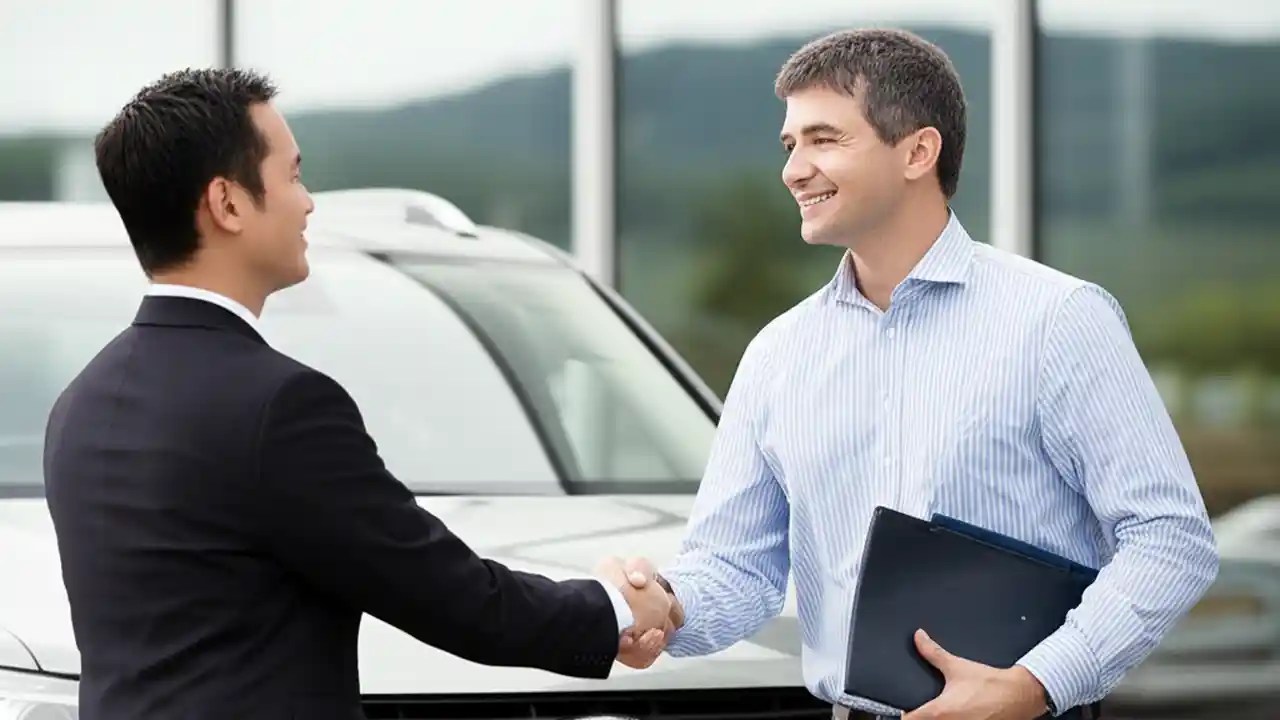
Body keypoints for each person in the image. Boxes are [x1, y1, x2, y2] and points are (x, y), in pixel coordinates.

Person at [603, 28, 1218, 720]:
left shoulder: (1058, 321)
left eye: (824, 139)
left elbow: (1169, 538)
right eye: (790, 145)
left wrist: (1037, 684)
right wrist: (671, 605)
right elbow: (739, 566)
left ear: (918, 152)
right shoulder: (778, 354)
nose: (793, 170)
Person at [42, 68, 668, 720]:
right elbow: (443, 592)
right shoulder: (278, 407)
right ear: (227, 203)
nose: (308, 202)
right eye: (292, 176)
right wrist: (617, 606)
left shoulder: (78, 406)